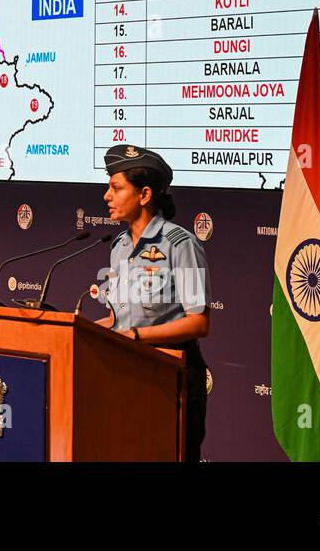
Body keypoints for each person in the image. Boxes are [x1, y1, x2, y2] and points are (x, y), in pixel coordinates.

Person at [97, 143, 211, 461]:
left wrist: (135, 337)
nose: (107, 195)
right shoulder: (118, 246)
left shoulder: (180, 244)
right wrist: (83, 332)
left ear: (144, 195)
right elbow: (117, 318)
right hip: (126, 374)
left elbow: (198, 322)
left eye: (116, 187)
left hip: (171, 377)